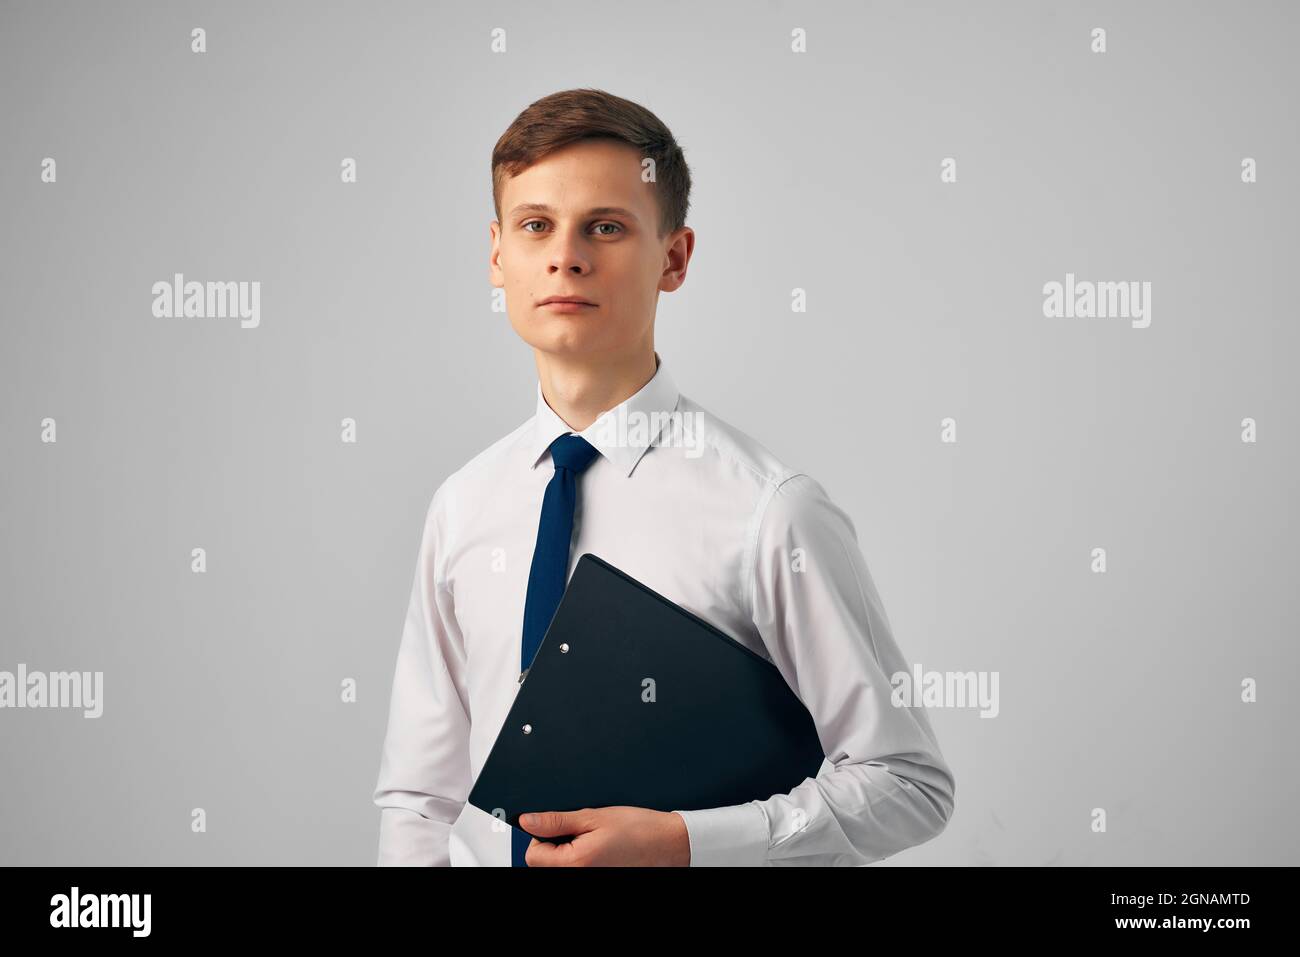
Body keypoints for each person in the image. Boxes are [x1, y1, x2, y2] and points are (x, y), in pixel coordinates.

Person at [373, 87, 955, 866]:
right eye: (536, 224)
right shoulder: (462, 506)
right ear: (497, 253)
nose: (565, 255)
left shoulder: (768, 511)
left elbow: (908, 783)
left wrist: (688, 842)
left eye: (605, 227)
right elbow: (421, 797)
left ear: (674, 258)